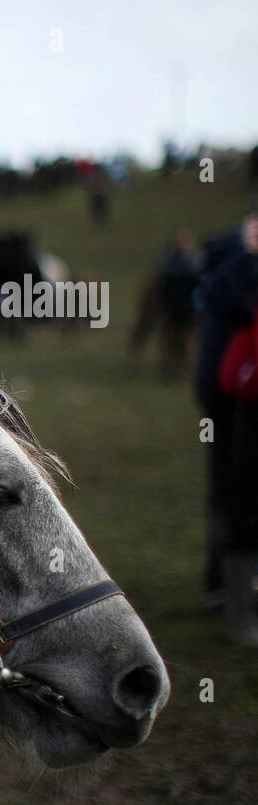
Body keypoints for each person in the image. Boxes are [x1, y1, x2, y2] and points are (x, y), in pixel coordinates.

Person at [195, 214, 258, 646]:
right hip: (237, 401)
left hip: (231, 396)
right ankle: (230, 594)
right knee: (237, 494)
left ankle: (227, 589)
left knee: (233, 492)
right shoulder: (237, 269)